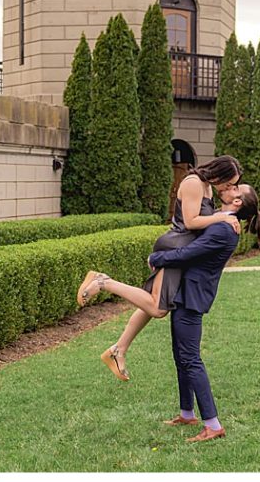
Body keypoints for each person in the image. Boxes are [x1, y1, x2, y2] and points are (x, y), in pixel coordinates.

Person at [78, 183, 260, 443]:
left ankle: (213, 425)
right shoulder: (222, 221)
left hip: (192, 296)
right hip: (186, 292)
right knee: (181, 356)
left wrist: (158, 259)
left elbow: (191, 253)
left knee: (190, 359)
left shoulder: (225, 229)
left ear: (237, 202)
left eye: (236, 188)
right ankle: (187, 413)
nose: (230, 187)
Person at [98, 156, 244, 381]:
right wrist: (222, 217)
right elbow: (191, 222)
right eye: (229, 182)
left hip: (184, 250)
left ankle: (118, 350)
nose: (229, 188)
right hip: (175, 246)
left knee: (153, 301)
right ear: (218, 174)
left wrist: (223, 218)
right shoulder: (194, 183)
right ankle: (103, 282)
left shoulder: (207, 188)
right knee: (158, 308)